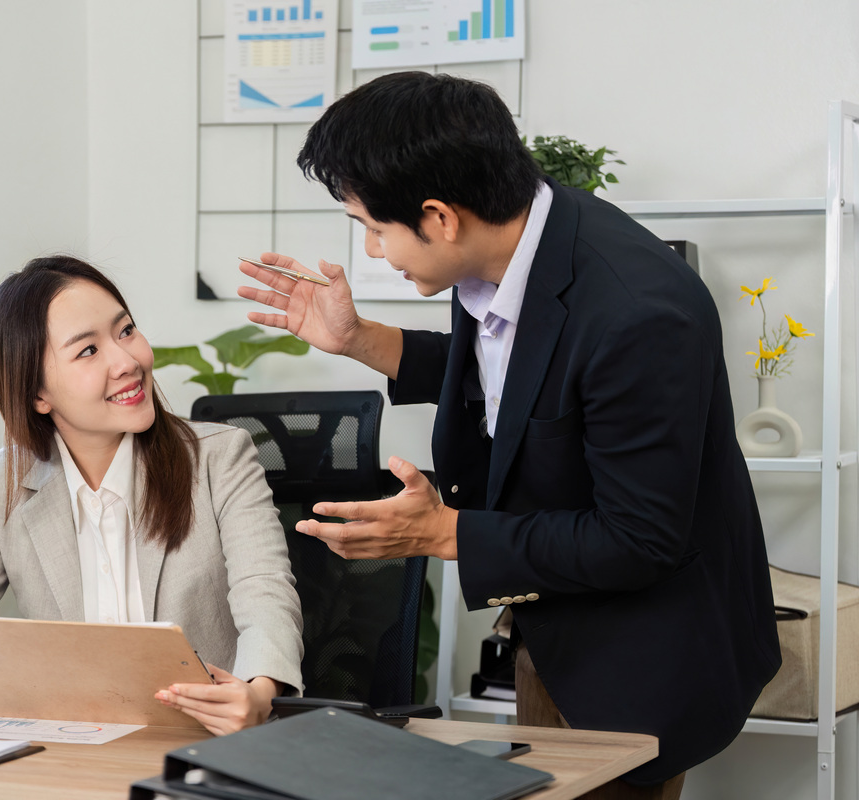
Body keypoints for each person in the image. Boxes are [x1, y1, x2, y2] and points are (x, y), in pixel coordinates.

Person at [238, 72, 779, 797]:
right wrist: (359, 337)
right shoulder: (513, 244)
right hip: (551, 626)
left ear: (438, 216)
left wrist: (439, 532)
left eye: (374, 227)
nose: (371, 250)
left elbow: (639, 538)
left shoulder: (638, 313)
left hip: (639, 662)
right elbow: (513, 380)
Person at [0, 255, 303, 735]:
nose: (127, 361)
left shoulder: (220, 459)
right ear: (38, 394)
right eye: (88, 351)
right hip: (75, 749)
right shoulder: (3, 484)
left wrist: (257, 694)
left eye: (126, 331)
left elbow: (266, 595)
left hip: (204, 744)